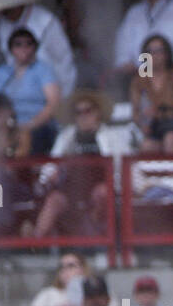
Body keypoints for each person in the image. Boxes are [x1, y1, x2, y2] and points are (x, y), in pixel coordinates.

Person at [32, 89, 127, 240]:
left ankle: (94, 237)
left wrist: (116, 185)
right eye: (78, 112)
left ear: (97, 113)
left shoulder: (112, 137)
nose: (83, 116)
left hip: (101, 185)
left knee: (102, 193)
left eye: (88, 111)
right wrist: (49, 177)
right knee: (54, 200)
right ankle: (34, 245)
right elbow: (51, 165)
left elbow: (123, 167)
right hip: (71, 187)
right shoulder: (66, 137)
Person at [0, 0, 75, 97]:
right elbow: (10, 58)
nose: (2, 14)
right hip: (18, 91)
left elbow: (64, 61)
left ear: (19, 6)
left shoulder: (46, 22)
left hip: (48, 90)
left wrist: (61, 97)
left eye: (6, 10)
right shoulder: (4, 23)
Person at [0, 26, 59, 155]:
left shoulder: (43, 70)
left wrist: (30, 124)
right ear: (11, 48)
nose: (24, 48)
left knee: (24, 135)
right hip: (4, 124)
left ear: (35, 47)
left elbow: (52, 104)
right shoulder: (1, 72)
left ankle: (21, 170)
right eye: (18, 44)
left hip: (36, 124)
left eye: (28, 44)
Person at [129, 32, 173, 154]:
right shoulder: (139, 80)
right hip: (152, 129)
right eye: (150, 51)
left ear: (167, 54)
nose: (154, 55)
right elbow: (136, 111)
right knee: (146, 146)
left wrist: (158, 111)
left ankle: (172, 173)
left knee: (170, 139)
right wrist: (143, 123)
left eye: (159, 50)